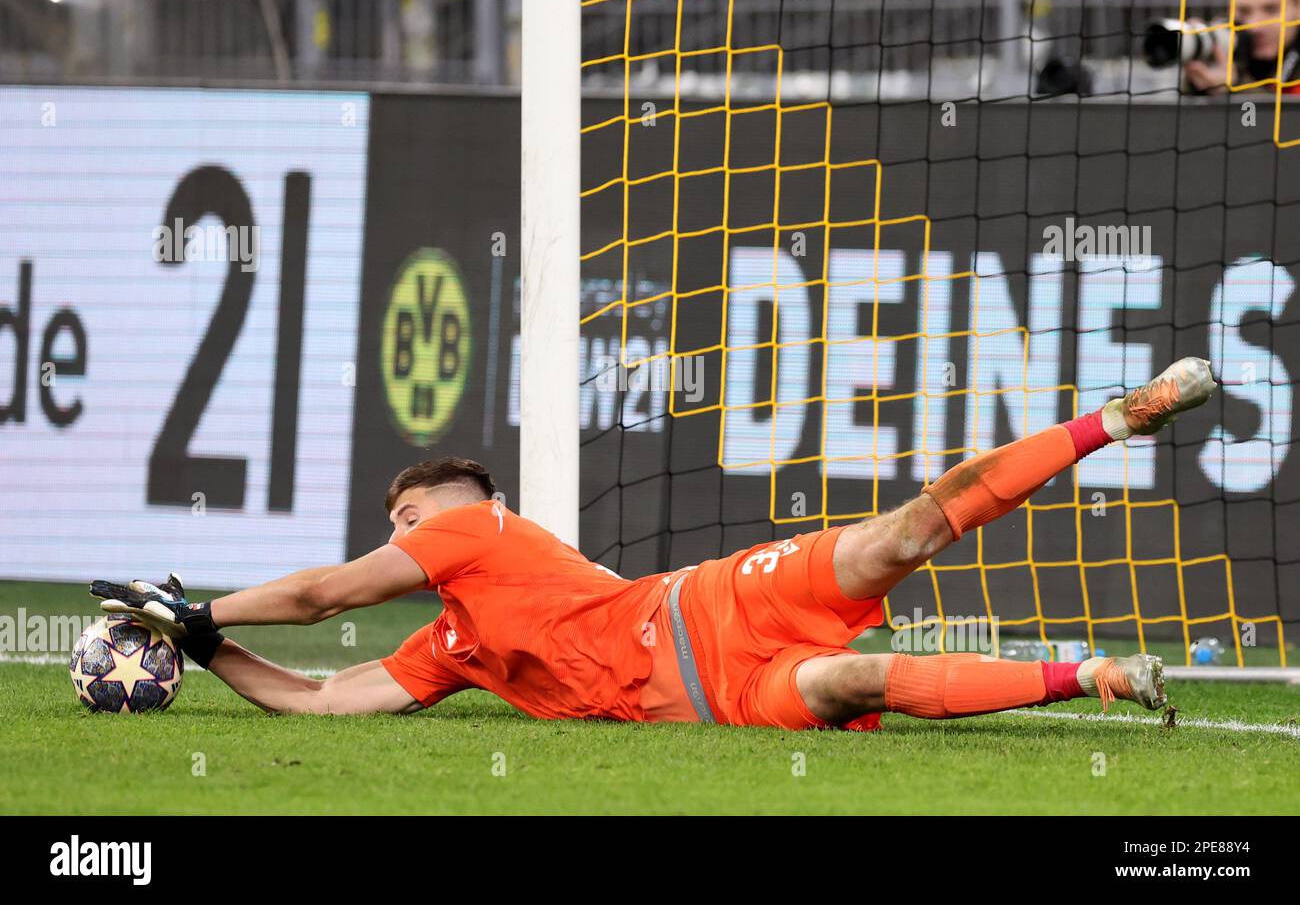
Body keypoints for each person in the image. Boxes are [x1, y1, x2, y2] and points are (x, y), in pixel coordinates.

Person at [93, 358, 1217, 732]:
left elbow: (321, 597)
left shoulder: (477, 530)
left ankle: (1113, 420)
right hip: (724, 698)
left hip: (718, 601)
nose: (429, 529)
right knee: (852, 679)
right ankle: (1088, 673)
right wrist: (202, 649)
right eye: (421, 516)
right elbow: (322, 699)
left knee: (900, 534)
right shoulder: (452, 649)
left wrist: (206, 609)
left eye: (436, 515)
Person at [1184, 0, 1300, 94]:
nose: (1255, 25)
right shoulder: (1223, 42)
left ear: (1298, 5)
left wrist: (1237, 87)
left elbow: (1288, 115)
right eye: (1243, 11)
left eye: (1271, 10)